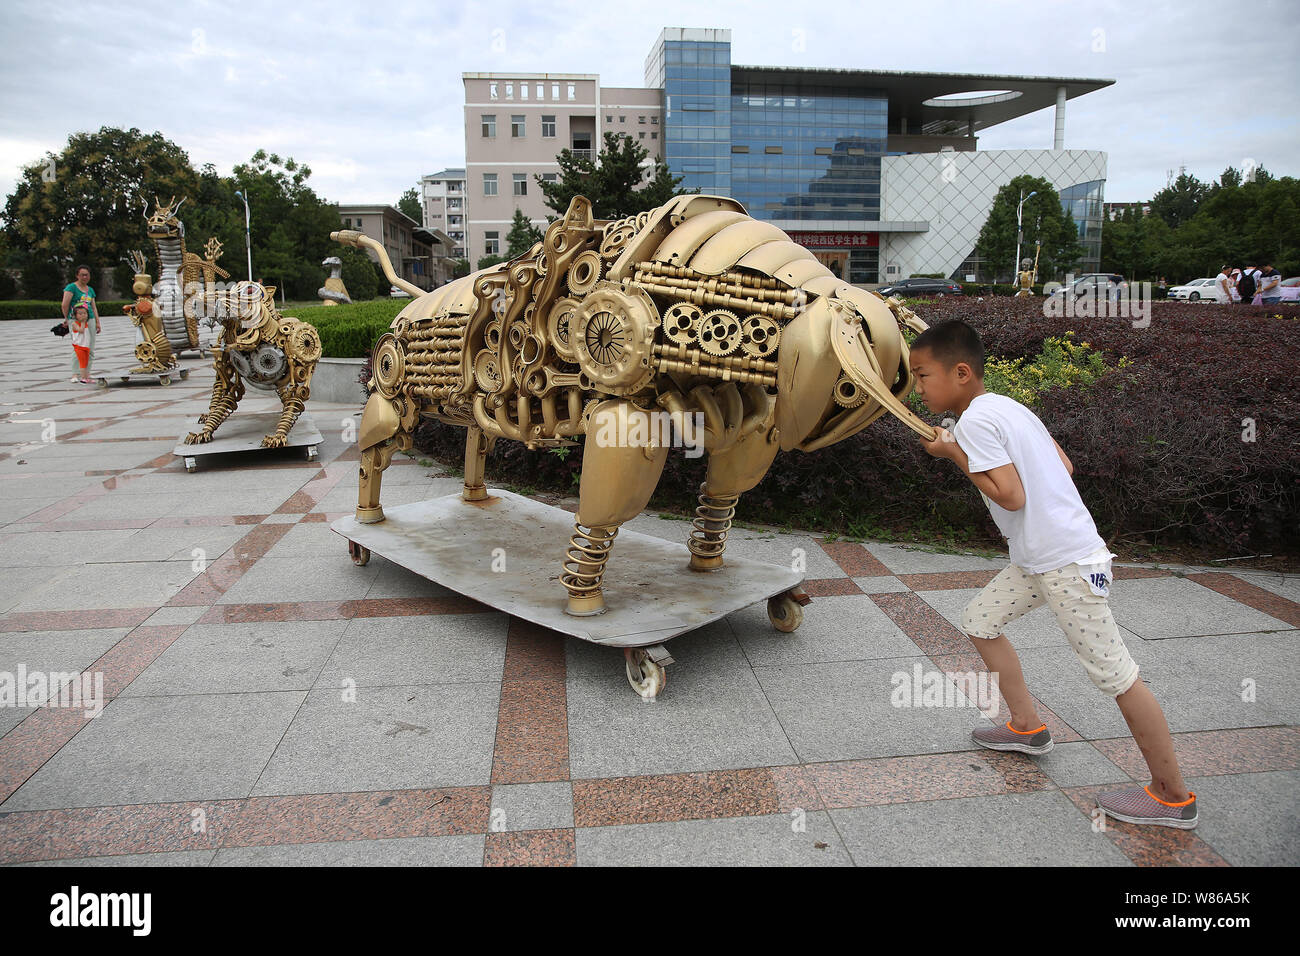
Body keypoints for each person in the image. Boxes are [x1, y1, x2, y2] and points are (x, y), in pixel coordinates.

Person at [910, 319, 1197, 828]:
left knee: (1117, 675)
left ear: (960, 373)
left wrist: (954, 452)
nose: (917, 387)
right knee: (980, 619)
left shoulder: (973, 422)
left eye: (922, 375)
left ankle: (1172, 795)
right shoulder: (1007, 407)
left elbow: (1011, 495)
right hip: (1041, 559)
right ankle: (1026, 726)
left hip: (1066, 564)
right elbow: (1063, 465)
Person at [60, 265, 100, 382]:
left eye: (87, 275)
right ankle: (75, 374)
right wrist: (68, 319)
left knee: (90, 347)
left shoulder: (90, 290)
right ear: (77, 275)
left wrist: (97, 322)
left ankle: (86, 373)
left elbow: (93, 307)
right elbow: (64, 304)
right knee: (78, 346)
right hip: (76, 320)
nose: (85, 277)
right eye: (82, 275)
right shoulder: (71, 287)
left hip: (90, 319)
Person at [68, 302, 93, 384]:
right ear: (75, 315)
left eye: (85, 313)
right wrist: (82, 322)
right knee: (82, 363)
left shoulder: (86, 323)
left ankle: (86, 377)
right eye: (80, 314)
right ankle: (83, 378)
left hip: (85, 346)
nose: (83, 315)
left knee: (86, 362)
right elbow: (81, 330)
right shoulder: (75, 324)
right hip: (79, 347)